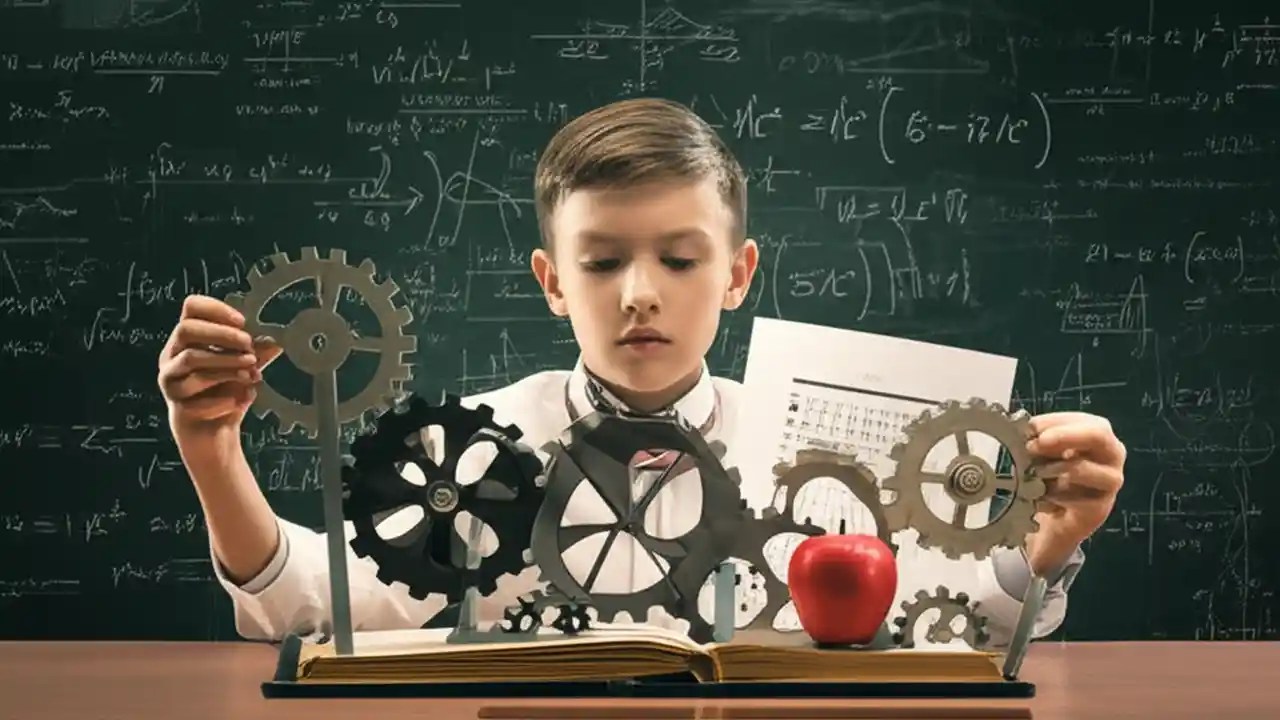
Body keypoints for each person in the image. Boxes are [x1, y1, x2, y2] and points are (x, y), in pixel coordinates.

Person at [157, 98, 1126, 648]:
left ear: (738, 274)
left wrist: (1040, 546)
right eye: (601, 260)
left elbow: (954, 629)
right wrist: (211, 453)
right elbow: (313, 616)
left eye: (678, 258)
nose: (638, 295)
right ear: (548, 282)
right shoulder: (473, 444)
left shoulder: (816, 452)